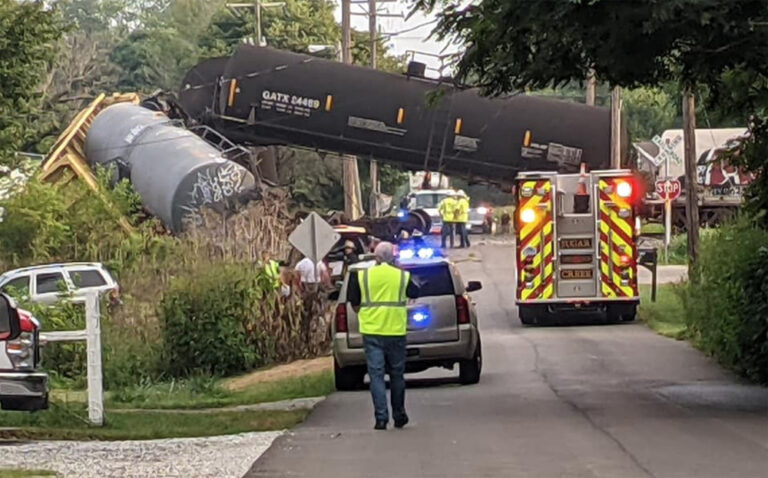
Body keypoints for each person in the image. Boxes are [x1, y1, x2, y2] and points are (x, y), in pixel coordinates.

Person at [346, 242, 419, 430]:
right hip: (395, 331)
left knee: (376, 375)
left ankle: (381, 418)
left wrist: (365, 313)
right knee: (397, 375)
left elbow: (354, 302)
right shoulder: (402, 276)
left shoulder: (363, 275)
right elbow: (415, 291)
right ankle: (399, 414)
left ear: (375, 257)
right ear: (393, 257)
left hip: (371, 331)